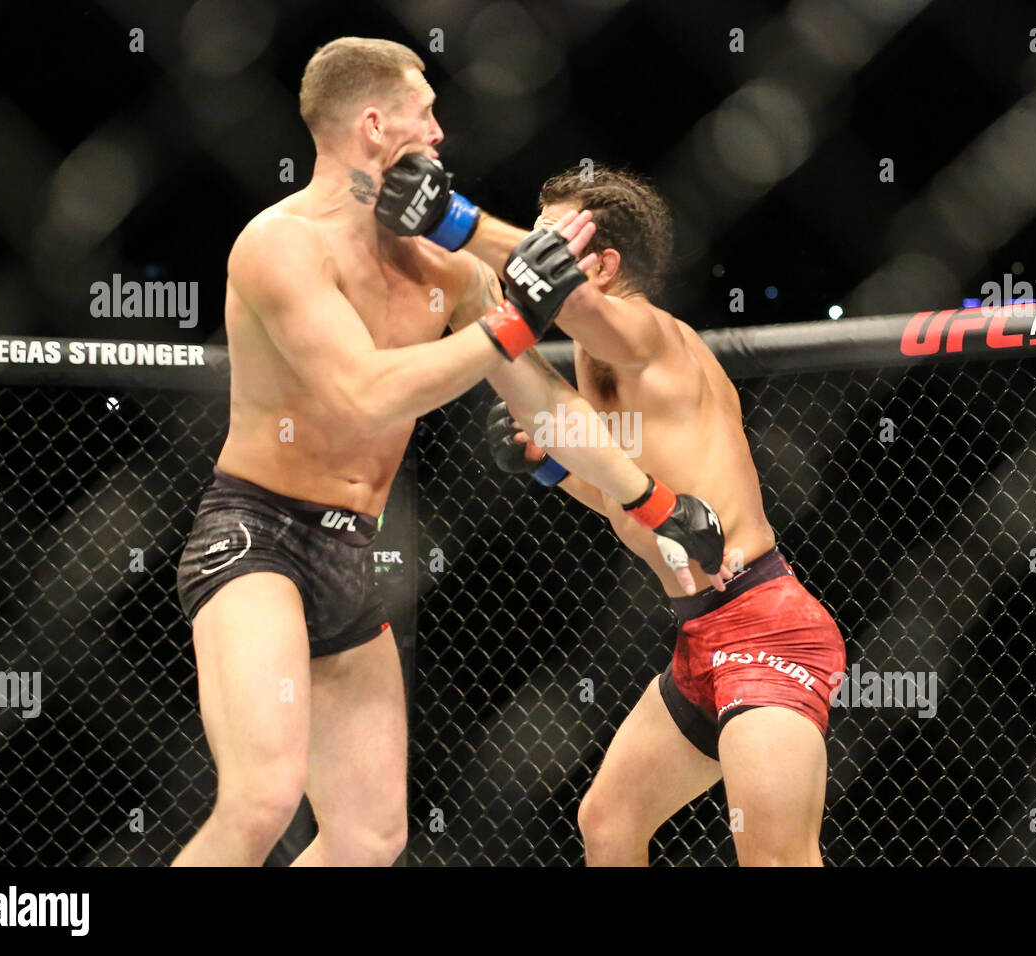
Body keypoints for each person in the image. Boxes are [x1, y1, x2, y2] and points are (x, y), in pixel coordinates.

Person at [171, 38, 726, 866]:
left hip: (350, 549)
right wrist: (511, 323)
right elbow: (362, 392)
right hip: (257, 538)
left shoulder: (447, 270)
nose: (438, 135)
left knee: (369, 839)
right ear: (372, 125)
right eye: (424, 113)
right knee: (260, 800)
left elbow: (543, 398)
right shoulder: (280, 244)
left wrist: (651, 499)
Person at [455, 166, 847, 865]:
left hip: (768, 632)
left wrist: (456, 222)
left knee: (777, 857)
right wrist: (549, 466)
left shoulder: (643, 332)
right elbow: (628, 501)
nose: (529, 253)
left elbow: (572, 303)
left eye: (551, 240)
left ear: (602, 266)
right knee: (607, 821)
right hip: (699, 636)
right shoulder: (599, 367)